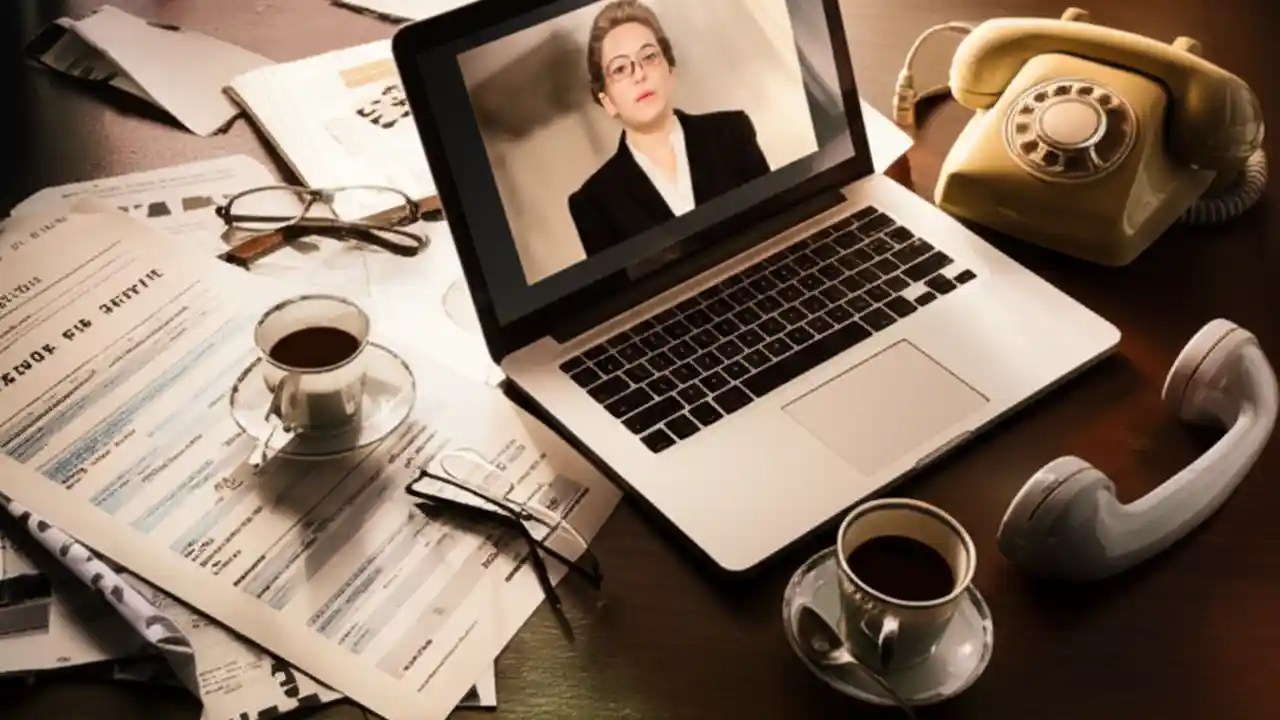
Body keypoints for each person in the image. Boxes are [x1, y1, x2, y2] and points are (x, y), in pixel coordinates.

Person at [568, 0, 771, 257]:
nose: (639, 74)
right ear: (606, 100)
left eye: (649, 56)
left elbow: (779, 226)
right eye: (620, 68)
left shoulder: (733, 132)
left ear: (669, 69)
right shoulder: (593, 203)